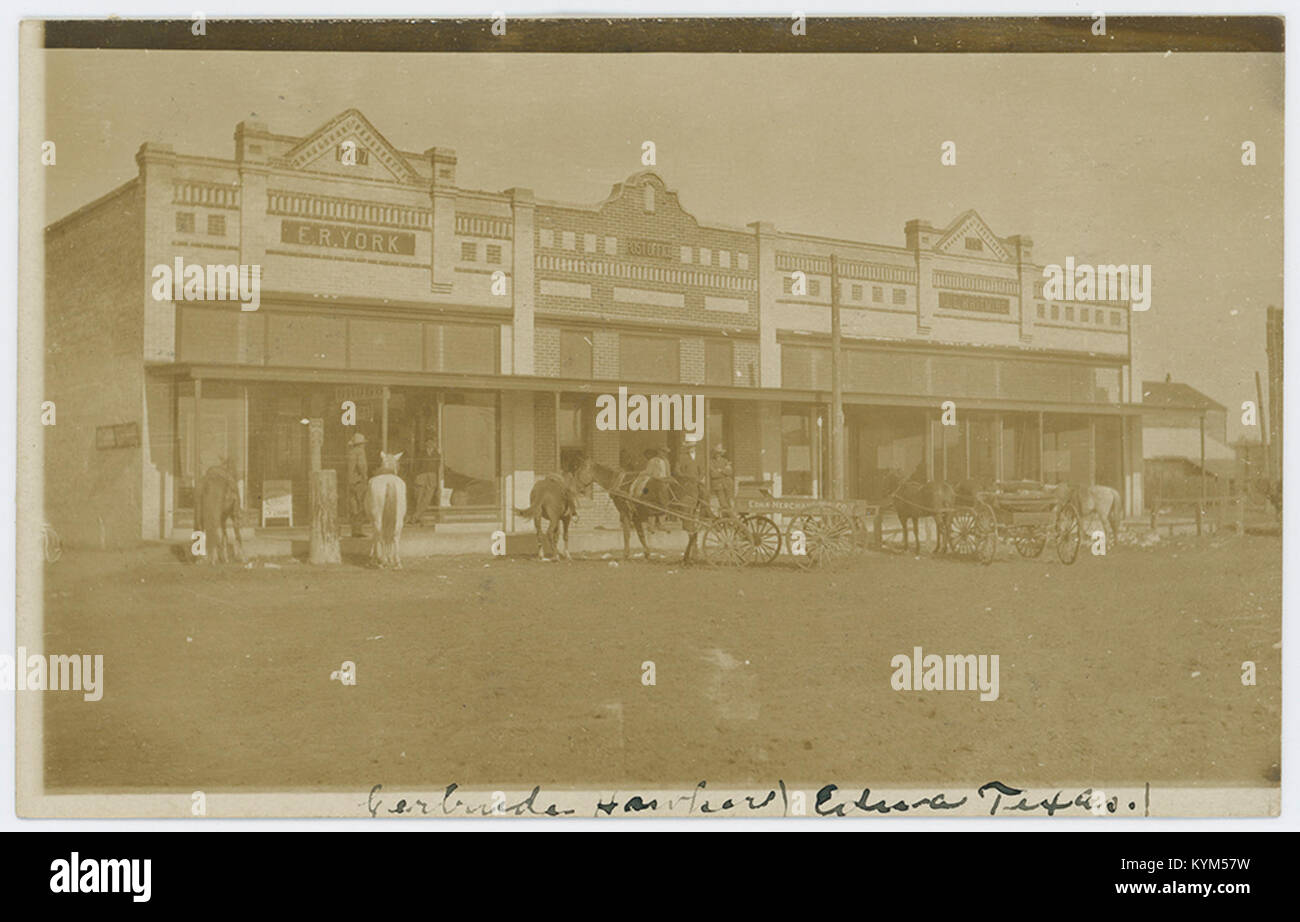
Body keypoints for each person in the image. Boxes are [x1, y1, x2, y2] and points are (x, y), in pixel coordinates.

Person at [346, 432, 369, 536]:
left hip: (351, 481)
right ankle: (359, 530)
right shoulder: (360, 452)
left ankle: (354, 530)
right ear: (361, 444)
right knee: (361, 505)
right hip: (359, 481)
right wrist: (365, 477)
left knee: (353, 506)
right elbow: (361, 466)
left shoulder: (351, 452)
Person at [709, 443, 736, 516]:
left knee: (729, 502)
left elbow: (730, 472)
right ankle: (729, 518)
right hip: (718, 486)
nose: (718, 455)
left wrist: (720, 470)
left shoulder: (725, 461)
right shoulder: (711, 462)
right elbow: (713, 474)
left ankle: (728, 519)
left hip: (727, 485)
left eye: (719, 453)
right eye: (716, 453)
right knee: (723, 503)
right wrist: (724, 471)